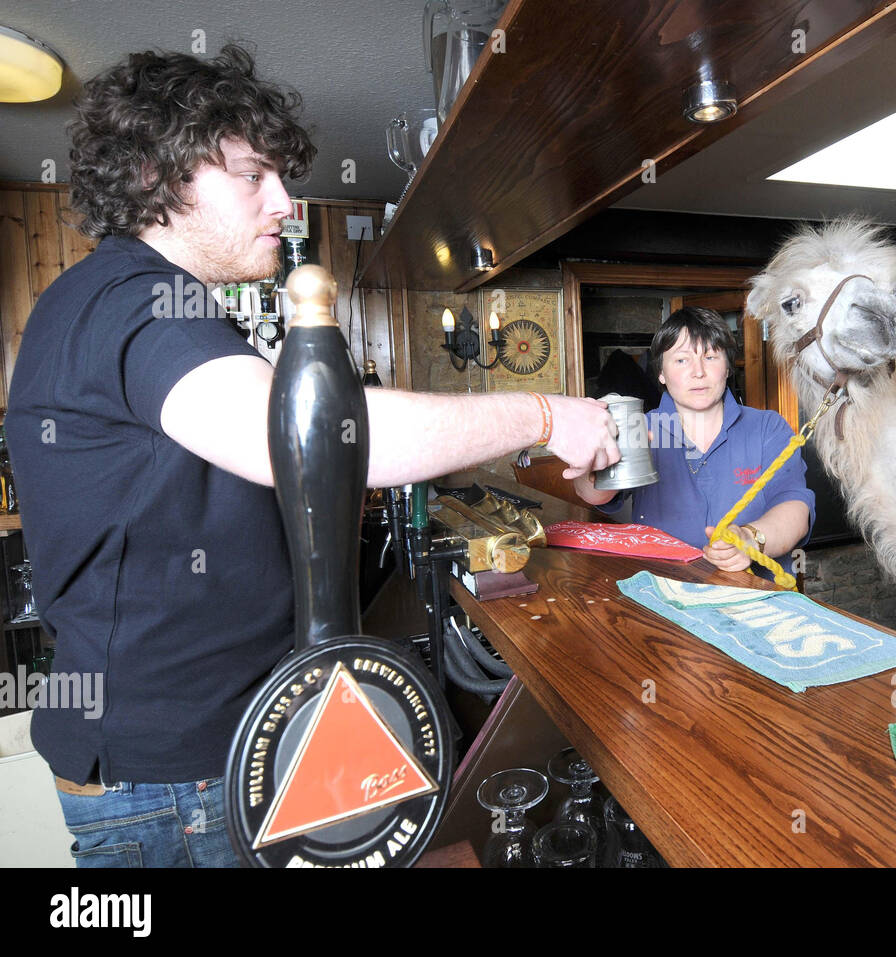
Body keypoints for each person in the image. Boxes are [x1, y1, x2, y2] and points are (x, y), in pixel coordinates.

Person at [4, 45, 620, 868]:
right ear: (158, 177)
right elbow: (325, 439)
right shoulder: (134, 301)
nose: (287, 204)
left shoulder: (151, 304)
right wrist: (544, 411)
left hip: (205, 748)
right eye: (253, 176)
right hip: (176, 781)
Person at [573, 307, 814, 575]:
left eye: (710, 357)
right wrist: (594, 466)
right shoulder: (640, 428)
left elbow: (794, 507)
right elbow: (595, 495)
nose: (698, 372)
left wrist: (751, 538)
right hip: (664, 587)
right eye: (681, 360)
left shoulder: (767, 427)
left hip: (755, 593)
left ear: (727, 367)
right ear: (661, 373)